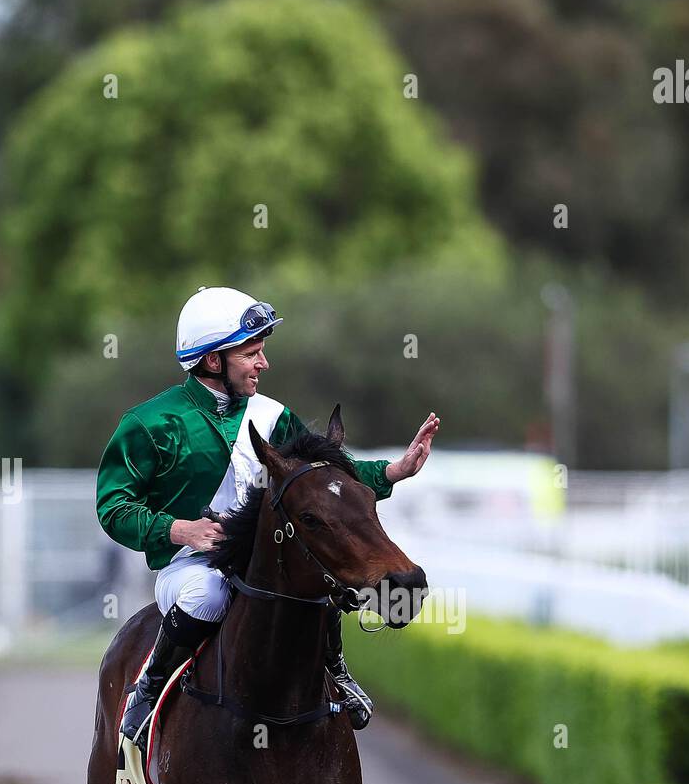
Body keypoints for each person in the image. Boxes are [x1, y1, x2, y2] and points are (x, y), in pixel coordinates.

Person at [96, 286, 438, 749]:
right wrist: (180, 530)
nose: (263, 364)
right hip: (192, 565)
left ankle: (334, 670)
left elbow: (329, 483)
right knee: (209, 596)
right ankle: (149, 687)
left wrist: (393, 472)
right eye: (252, 353)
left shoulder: (274, 416)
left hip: (264, 557)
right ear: (214, 361)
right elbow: (114, 506)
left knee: (312, 575)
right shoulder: (149, 424)